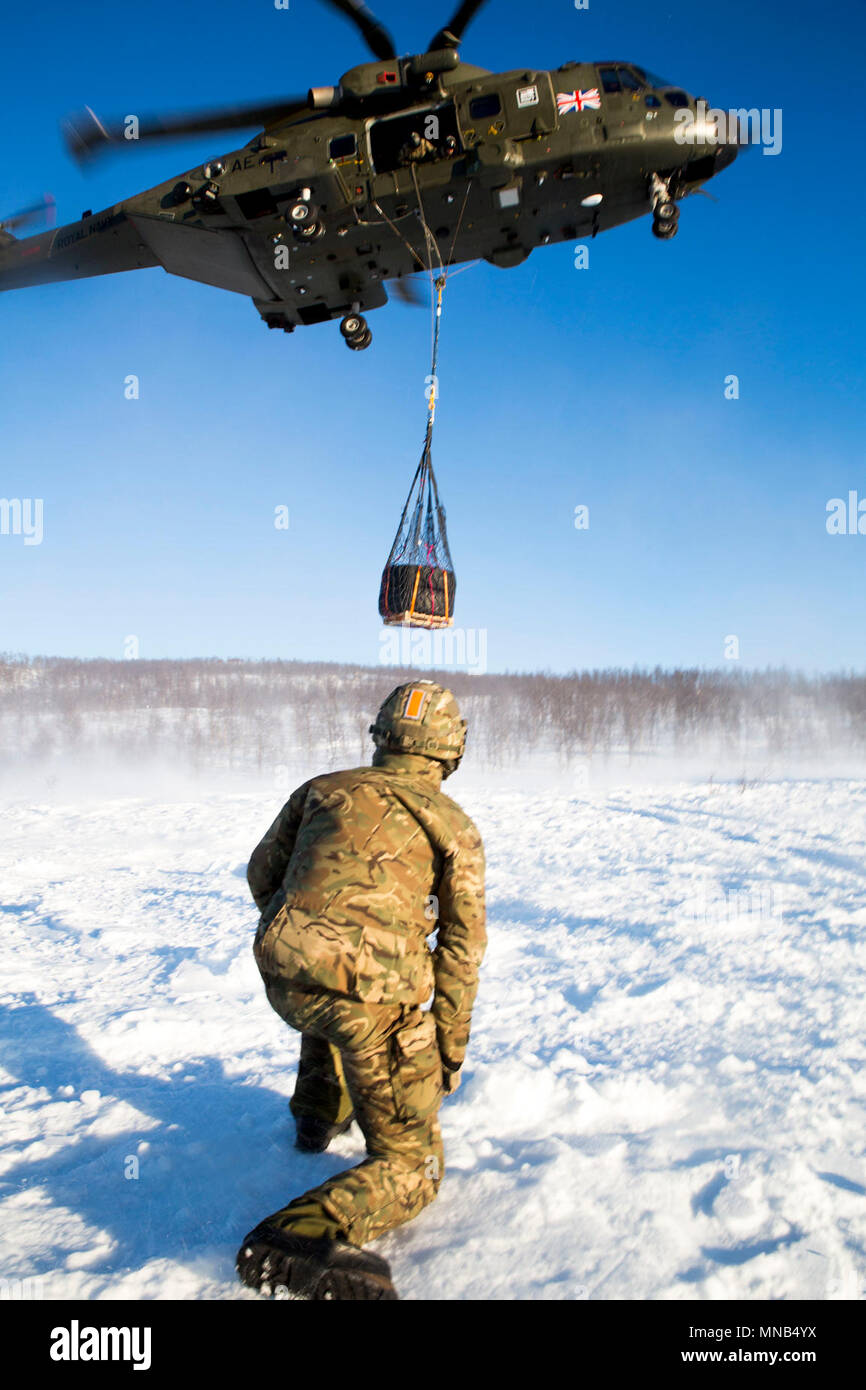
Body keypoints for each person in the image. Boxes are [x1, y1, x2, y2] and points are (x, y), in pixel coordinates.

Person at [236, 680, 487, 1300]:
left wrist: (299, 930)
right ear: (450, 750)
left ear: (383, 737)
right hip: (373, 1002)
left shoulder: (322, 790)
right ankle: (298, 1235)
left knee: (337, 1005)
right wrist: (446, 1050)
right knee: (414, 1165)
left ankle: (316, 1117)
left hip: (284, 976)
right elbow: (461, 947)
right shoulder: (452, 824)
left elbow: (261, 872)